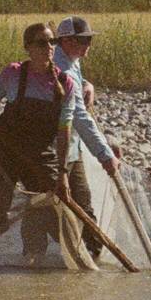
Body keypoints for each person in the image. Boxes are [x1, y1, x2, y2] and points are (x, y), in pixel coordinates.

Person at [0, 22, 80, 271]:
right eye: (42, 43)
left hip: (40, 154)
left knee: (57, 207)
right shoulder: (13, 73)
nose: (49, 48)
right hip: (3, 150)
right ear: (28, 47)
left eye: (52, 42)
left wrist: (62, 175)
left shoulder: (66, 84)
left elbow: (64, 133)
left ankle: (71, 256)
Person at [52, 16, 119, 256]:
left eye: (89, 39)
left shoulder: (71, 60)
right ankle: (36, 259)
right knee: (45, 210)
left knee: (84, 208)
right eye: (84, 40)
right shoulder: (61, 68)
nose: (88, 45)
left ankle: (91, 256)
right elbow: (79, 117)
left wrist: (87, 84)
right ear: (67, 41)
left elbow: (78, 83)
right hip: (54, 151)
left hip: (72, 149)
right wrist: (105, 154)